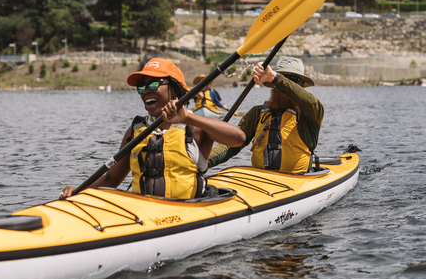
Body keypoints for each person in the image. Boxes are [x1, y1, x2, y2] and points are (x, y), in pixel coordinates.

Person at [59, 58, 245, 200]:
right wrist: (79, 193)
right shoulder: (136, 131)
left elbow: (238, 139)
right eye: (141, 87)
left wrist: (188, 117)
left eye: (154, 84)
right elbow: (111, 180)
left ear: (174, 89)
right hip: (145, 213)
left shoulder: (195, 126)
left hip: (188, 211)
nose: (146, 90)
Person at [207, 56, 324, 174]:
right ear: (273, 84)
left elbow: (310, 102)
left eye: (293, 79)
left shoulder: (311, 113)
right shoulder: (257, 113)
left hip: (299, 179)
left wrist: (276, 77)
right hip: (263, 179)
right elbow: (232, 144)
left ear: (301, 86)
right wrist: (203, 162)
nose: (285, 85)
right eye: (282, 77)